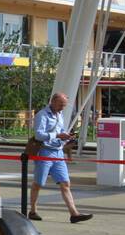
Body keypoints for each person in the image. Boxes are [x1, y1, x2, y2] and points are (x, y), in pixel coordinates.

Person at [28, 91, 91, 223]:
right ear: (53, 101)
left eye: (64, 105)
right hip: (44, 151)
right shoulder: (42, 115)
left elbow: (61, 130)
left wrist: (66, 136)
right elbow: (39, 135)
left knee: (65, 183)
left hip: (58, 152)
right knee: (38, 183)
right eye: (61, 104)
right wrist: (57, 135)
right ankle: (33, 210)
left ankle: (74, 213)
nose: (63, 108)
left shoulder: (59, 114)